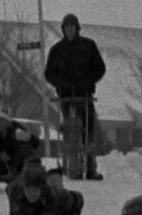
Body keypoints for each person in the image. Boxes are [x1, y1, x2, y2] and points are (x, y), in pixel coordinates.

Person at [43, 13, 107, 180]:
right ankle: (72, 166)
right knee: (70, 131)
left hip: (84, 96)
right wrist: (61, 83)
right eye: (66, 27)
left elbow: (99, 68)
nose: (69, 30)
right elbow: (48, 73)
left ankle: (90, 168)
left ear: (77, 28)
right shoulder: (56, 50)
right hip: (65, 97)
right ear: (63, 30)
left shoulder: (88, 46)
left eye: (72, 27)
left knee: (88, 131)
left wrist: (87, 81)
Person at [6, 157, 85, 215]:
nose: (31, 193)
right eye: (28, 189)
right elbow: (15, 202)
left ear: (42, 188)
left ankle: (54, 174)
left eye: (35, 189)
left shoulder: (57, 196)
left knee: (56, 182)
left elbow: (78, 199)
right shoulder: (15, 191)